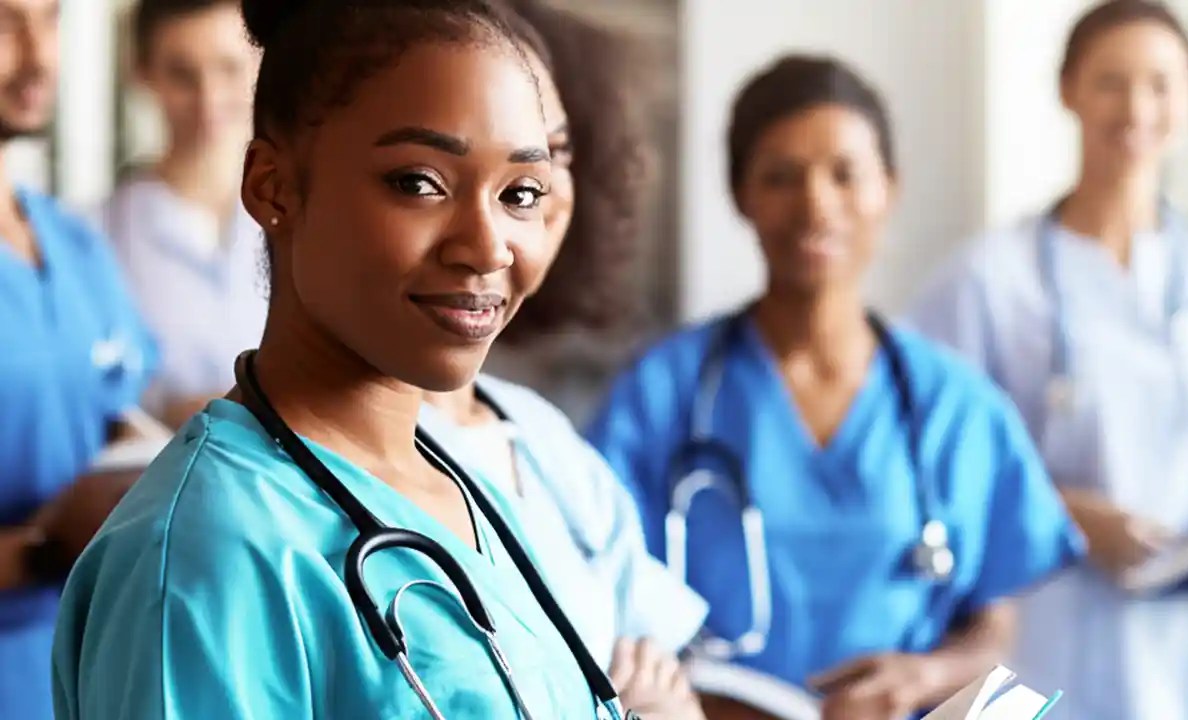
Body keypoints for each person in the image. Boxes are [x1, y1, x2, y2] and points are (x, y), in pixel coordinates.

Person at [52, 1, 630, 717]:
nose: (487, 247)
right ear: (272, 187)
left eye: (521, 193)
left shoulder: (472, 496)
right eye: (419, 182)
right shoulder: (205, 557)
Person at [587, 54, 1084, 720]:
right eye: (781, 177)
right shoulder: (660, 396)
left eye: (846, 174)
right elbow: (598, 595)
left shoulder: (957, 408)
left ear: (890, 188)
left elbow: (995, 625)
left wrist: (923, 676)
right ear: (741, 195)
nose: (816, 204)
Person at [910, 2, 1188, 719]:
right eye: (1111, 81)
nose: (1136, 107)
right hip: (1051, 641)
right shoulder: (989, 276)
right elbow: (929, 459)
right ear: (1068, 89)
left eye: (1160, 84)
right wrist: (1065, 511)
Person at [416, 2, 707, 717]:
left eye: (551, 157)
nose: (547, 194)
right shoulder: (311, 480)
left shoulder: (545, 444)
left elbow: (671, 688)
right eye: (422, 179)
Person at [0, 0, 157, 717]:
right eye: (4, 24)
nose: (39, 56)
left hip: (87, 669)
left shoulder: (71, 238)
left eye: (50, 19)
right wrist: (38, 547)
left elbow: (116, 409)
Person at [101, 0, 266, 430]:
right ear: (142, 72)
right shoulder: (97, 234)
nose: (208, 98)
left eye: (228, 68)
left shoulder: (313, 220)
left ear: (259, 64)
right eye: (182, 74)